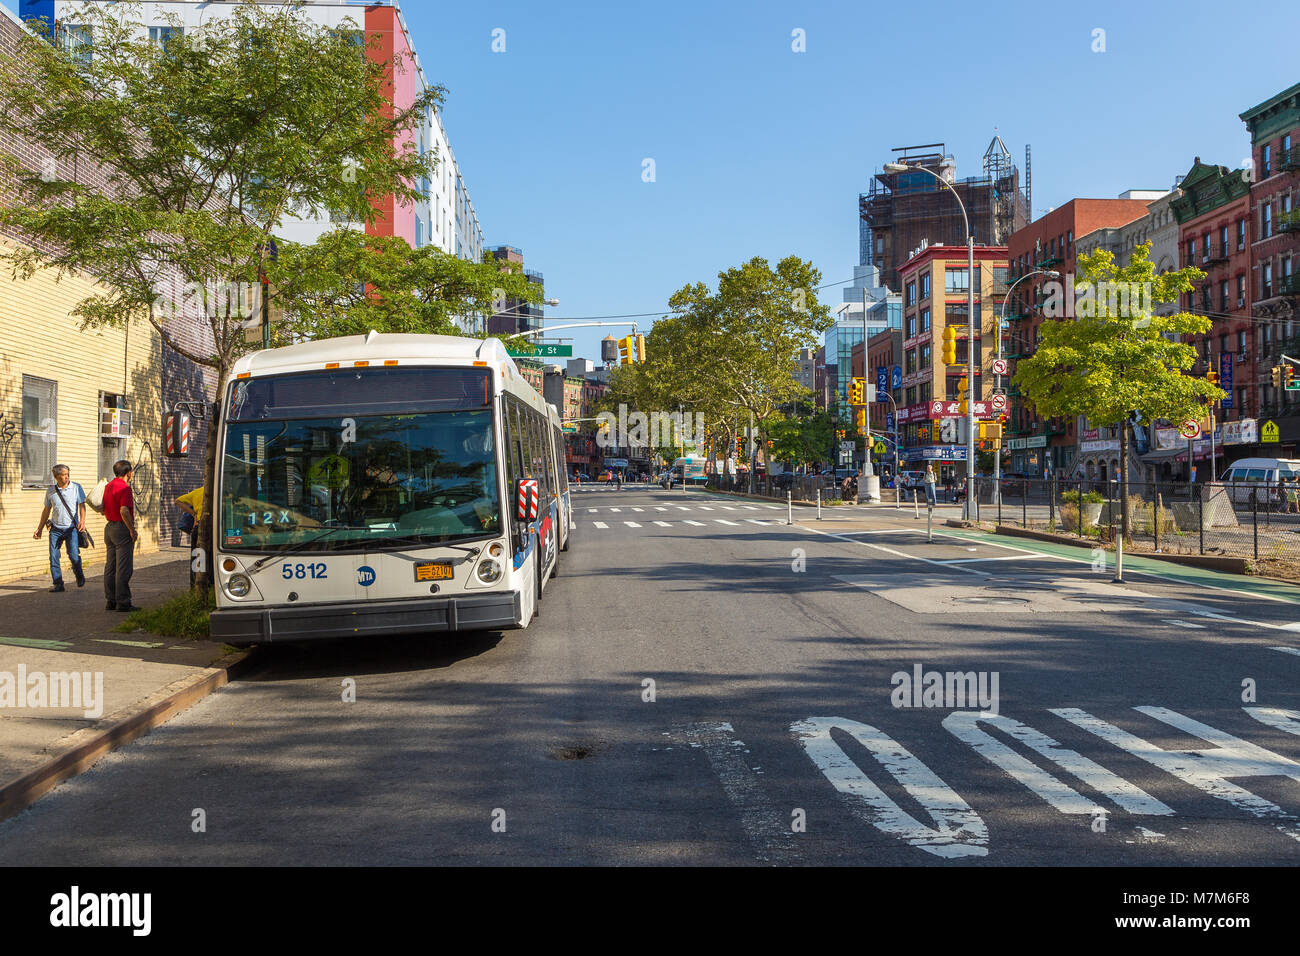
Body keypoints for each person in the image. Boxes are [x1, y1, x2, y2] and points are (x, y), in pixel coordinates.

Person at [33, 464, 87, 592]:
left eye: (67, 474)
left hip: (71, 528)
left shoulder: (76, 487)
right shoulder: (51, 491)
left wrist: (82, 521)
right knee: (53, 556)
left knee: (73, 555)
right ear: (56, 476)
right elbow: (46, 510)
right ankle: (58, 583)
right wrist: (39, 528)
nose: (66, 477)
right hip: (55, 529)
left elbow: (82, 506)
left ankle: (79, 574)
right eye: (63, 475)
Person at [103, 460, 140, 612]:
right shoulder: (125, 488)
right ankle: (123, 602)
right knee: (123, 568)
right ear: (129, 472)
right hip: (121, 528)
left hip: (109, 528)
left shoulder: (108, 486)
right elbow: (124, 510)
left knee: (110, 567)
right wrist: (132, 529)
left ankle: (110, 600)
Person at [176, 487, 205, 586]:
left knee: (197, 558)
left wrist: (194, 513)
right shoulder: (221, 491)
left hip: (198, 527)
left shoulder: (197, 492)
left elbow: (178, 501)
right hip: (213, 528)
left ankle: (195, 585)